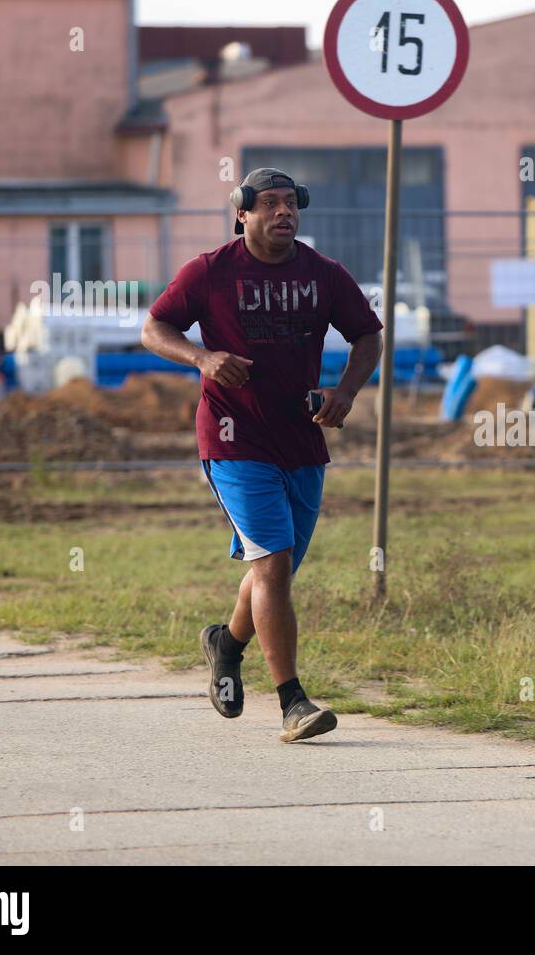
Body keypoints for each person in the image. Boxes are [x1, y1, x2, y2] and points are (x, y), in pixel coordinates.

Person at [141, 167, 382, 742]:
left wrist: (345, 391)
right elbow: (153, 328)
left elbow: (367, 335)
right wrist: (202, 359)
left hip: (301, 436)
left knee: (277, 565)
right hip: (233, 437)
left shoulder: (324, 275)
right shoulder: (210, 271)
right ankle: (293, 703)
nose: (283, 213)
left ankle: (226, 643)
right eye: (269, 204)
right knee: (273, 562)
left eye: (290, 204)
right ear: (242, 214)